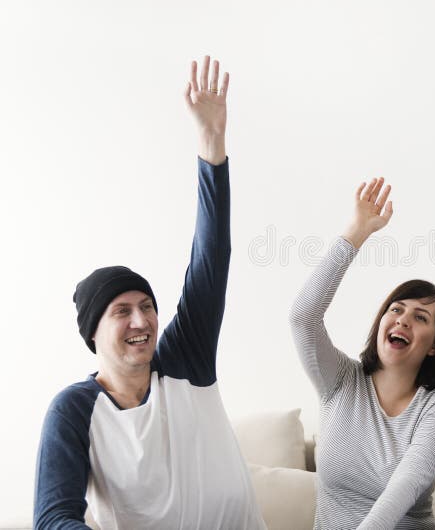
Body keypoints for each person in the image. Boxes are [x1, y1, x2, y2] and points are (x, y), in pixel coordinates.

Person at [34, 57, 266, 529]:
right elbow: (54, 518)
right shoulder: (74, 410)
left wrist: (211, 145)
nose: (141, 321)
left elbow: (211, 257)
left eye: (147, 307)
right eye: (122, 311)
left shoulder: (186, 358)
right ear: (93, 332)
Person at [289, 177, 435, 530]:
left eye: (420, 317)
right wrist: (356, 233)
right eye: (396, 310)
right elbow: (303, 317)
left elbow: (406, 485)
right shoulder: (339, 380)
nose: (403, 321)